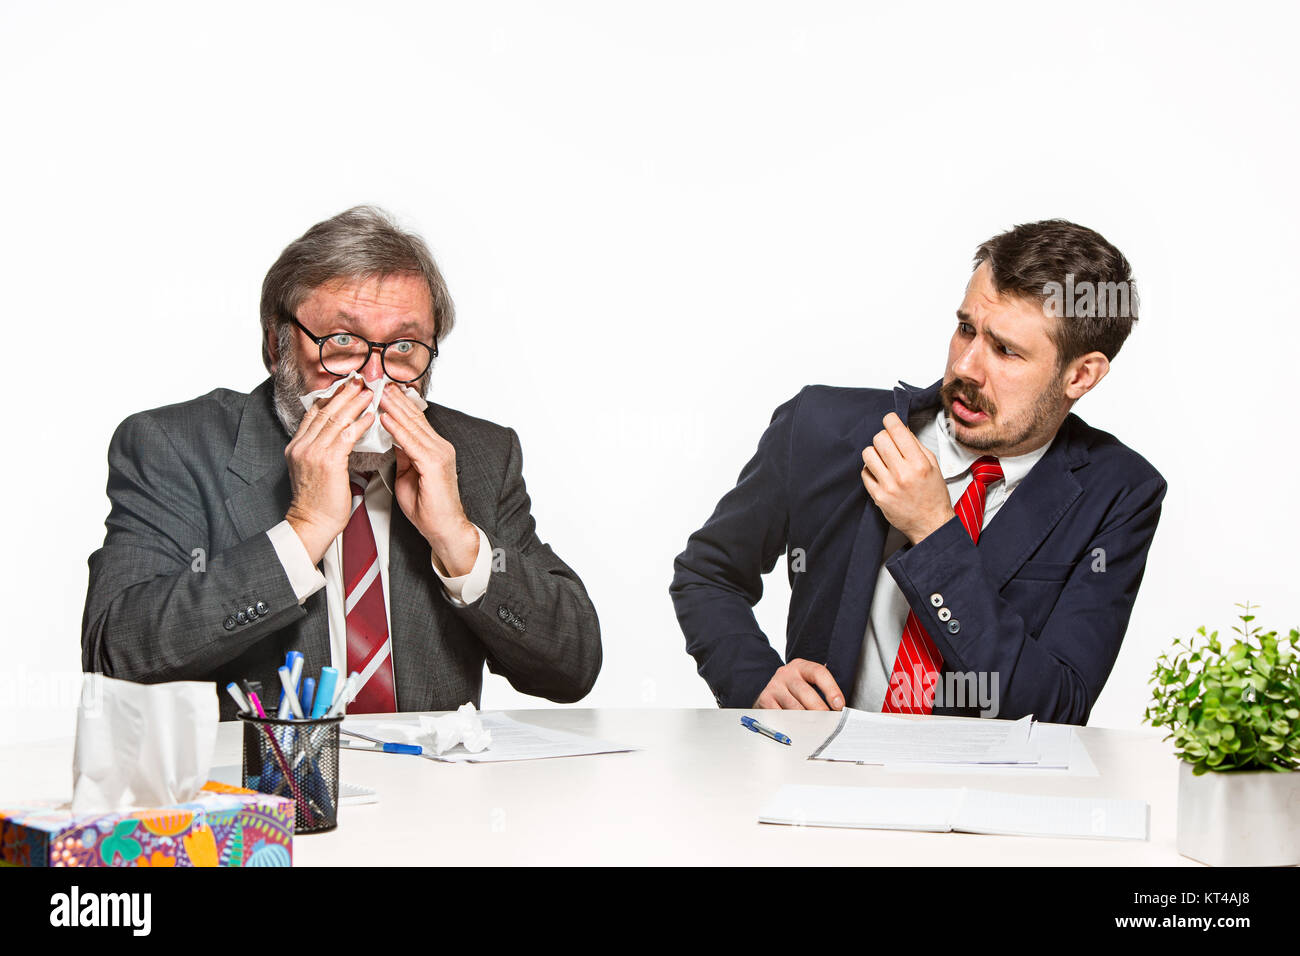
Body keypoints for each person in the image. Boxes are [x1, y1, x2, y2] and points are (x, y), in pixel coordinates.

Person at [83, 206, 601, 718]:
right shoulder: (174, 446)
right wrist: (303, 530)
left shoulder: (479, 453)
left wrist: (459, 543)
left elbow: (572, 668)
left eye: (403, 347)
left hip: (436, 794)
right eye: (344, 342)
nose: (374, 379)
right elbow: (116, 656)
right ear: (276, 344)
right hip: (269, 794)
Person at [670, 219, 1165, 725]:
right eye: (966, 329)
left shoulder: (1119, 493)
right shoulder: (821, 428)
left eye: (1006, 350)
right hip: (817, 775)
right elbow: (707, 574)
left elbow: (1057, 709)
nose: (967, 367)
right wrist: (755, 680)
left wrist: (933, 531)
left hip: (985, 793)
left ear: (1081, 375)